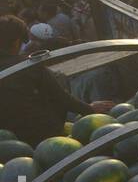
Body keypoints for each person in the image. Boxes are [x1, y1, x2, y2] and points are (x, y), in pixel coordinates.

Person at [0, 15, 115, 145]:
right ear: (16, 41)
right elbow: (60, 97)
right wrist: (90, 108)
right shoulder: (26, 65)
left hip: (9, 141)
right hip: (45, 134)